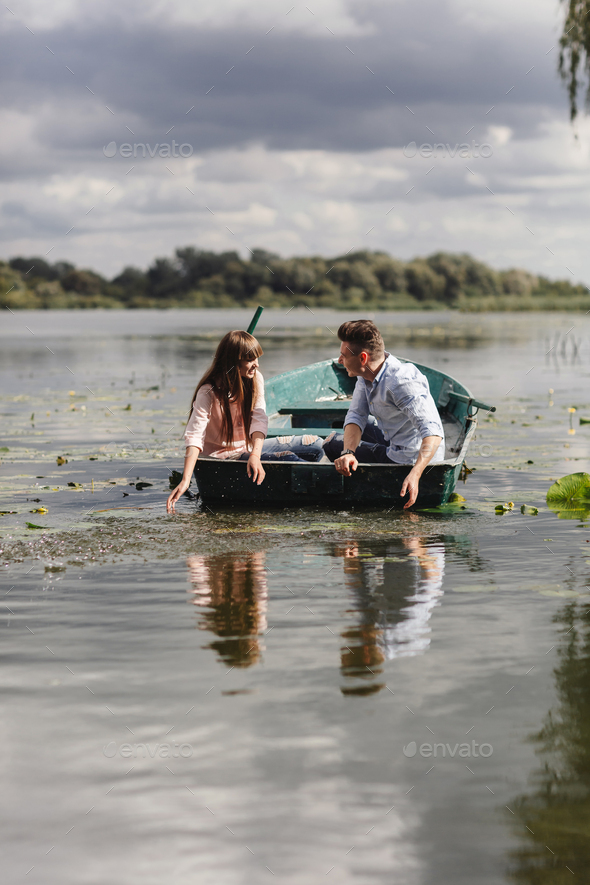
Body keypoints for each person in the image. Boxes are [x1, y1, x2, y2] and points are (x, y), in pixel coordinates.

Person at [167, 330, 323, 511]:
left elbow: (259, 419)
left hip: (247, 447)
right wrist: (186, 479)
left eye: (257, 358)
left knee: (315, 445)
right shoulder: (208, 392)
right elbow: (195, 435)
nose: (256, 365)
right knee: (289, 459)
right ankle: (318, 494)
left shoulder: (255, 379)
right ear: (232, 362)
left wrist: (255, 455)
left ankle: (310, 487)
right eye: (249, 360)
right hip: (224, 455)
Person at [323, 320, 444, 509]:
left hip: (409, 458)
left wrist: (415, 473)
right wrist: (348, 453)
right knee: (360, 429)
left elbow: (433, 433)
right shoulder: (366, 375)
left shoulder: (401, 383)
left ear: (363, 358)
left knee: (330, 443)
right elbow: (356, 415)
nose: (339, 360)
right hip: (396, 438)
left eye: (343, 355)